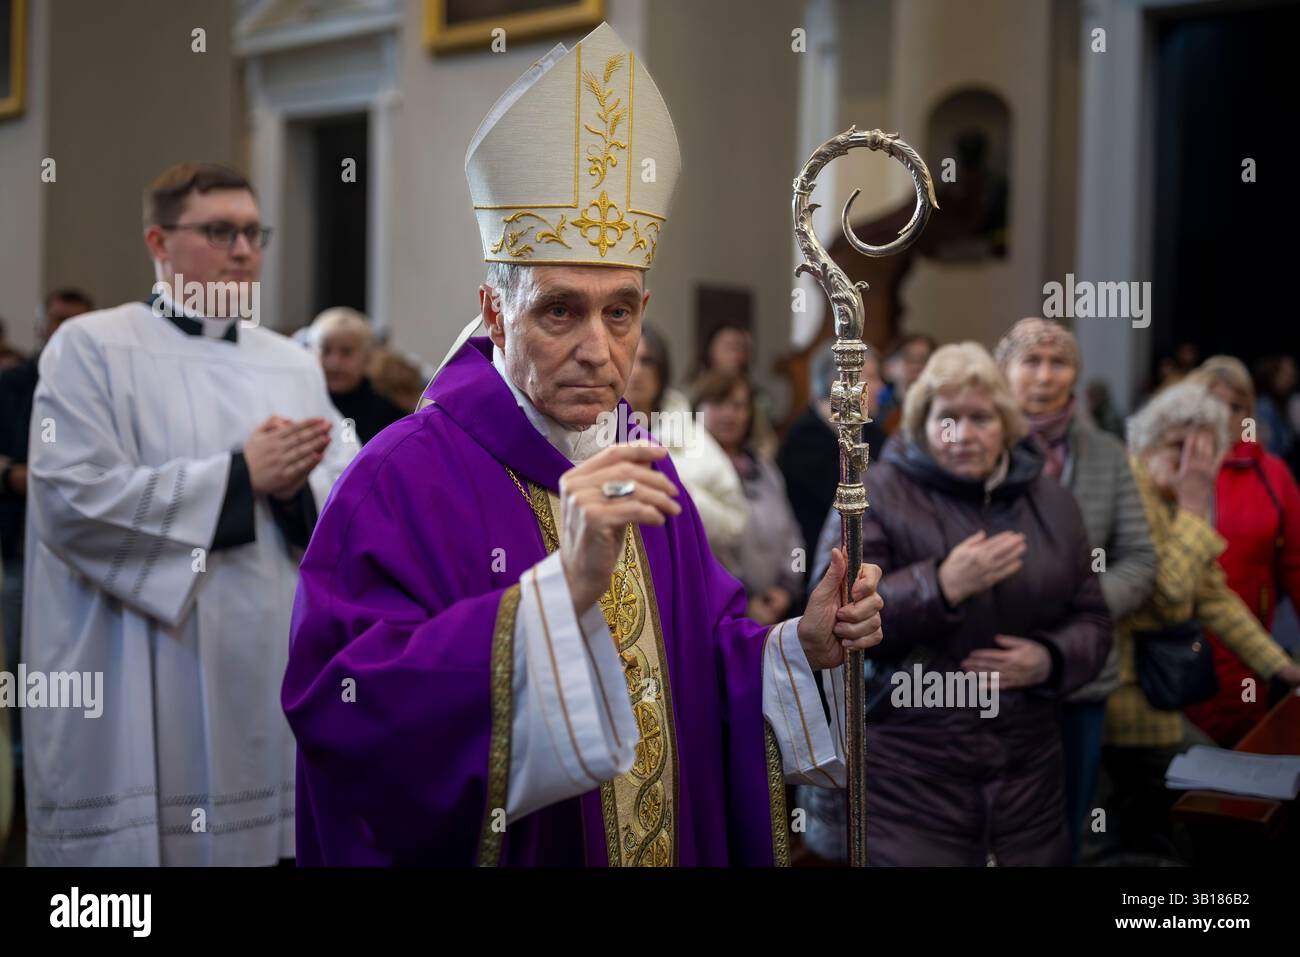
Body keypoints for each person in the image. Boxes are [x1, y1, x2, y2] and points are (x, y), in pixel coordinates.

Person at [283, 23, 886, 866]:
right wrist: (555, 593)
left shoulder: (645, 461)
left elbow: (705, 655)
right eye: (558, 309)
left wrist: (800, 646)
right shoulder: (398, 478)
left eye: (622, 311)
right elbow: (344, 707)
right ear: (496, 313)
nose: (599, 350)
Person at [22, 162, 356, 866]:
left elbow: (341, 495)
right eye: (218, 231)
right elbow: (70, 497)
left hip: (266, 658)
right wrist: (239, 476)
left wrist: (295, 488)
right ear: (158, 241)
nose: (242, 249)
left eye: (252, 232)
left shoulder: (291, 364)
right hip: (147, 660)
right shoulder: (91, 347)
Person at [809, 342, 1111, 865]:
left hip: (1027, 776)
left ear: (1007, 424)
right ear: (923, 423)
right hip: (910, 774)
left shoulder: (1052, 502)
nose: (965, 435)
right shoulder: (873, 492)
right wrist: (939, 585)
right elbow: (835, 619)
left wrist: (1052, 658)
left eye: (982, 418)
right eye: (947, 418)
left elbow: (1093, 620)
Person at [1103, 380, 1300, 859]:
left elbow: (1215, 596)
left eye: (1204, 451)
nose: (1192, 463)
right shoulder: (1134, 489)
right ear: (1149, 441)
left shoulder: (1171, 498)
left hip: (1160, 690)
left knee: (1235, 794)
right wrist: (1195, 505)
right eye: (1179, 447)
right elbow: (1168, 594)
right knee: (1220, 804)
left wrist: (1283, 668)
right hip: (1122, 697)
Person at [995, 317, 1156, 861]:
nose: (1044, 375)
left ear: (1076, 375)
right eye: (1030, 361)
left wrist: (1080, 610)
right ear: (1004, 371)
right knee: (1001, 826)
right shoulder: (979, 445)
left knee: (1069, 823)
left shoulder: (1108, 454)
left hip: (1082, 673)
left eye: (1058, 362)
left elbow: (1139, 558)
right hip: (996, 668)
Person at [1180, 357, 1300, 745]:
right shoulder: (1171, 467)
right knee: (1172, 763)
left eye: (1236, 406)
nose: (1225, 415)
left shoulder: (1274, 474)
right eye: (1214, 402)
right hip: (1179, 642)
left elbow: (1297, 564)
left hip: (1249, 642)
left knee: (1245, 751)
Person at [0, 288, 96, 776]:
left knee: (76, 669)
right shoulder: (12, 383)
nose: (66, 331)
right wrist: (10, 474)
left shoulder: (98, 385)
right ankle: (19, 764)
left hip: (86, 560)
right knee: (18, 666)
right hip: (17, 546)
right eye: (58, 321)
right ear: (40, 328)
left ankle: (71, 765)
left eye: (78, 322)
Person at [626, 324, 750, 553]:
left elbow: (736, 525)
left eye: (647, 361)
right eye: (630, 358)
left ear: (661, 372)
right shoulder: (588, 431)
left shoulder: (694, 439)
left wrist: (680, 494)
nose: (637, 371)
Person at [694, 371, 805, 624]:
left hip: (778, 607)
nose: (728, 414)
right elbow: (705, 551)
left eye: (738, 406)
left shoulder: (765, 468)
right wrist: (746, 600)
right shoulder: (689, 471)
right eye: (718, 404)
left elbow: (792, 535)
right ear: (698, 409)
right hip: (720, 612)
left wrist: (788, 588)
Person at [778, 344, 888, 590]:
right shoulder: (805, 440)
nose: (881, 388)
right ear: (840, 383)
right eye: (871, 377)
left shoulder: (874, 432)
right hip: (820, 570)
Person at [310, 306, 406, 444]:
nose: (334, 363)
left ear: (367, 358)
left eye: (346, 352)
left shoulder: (388, 415)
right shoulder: (302, 402)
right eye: (325, 350)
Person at [693, 321, 778, 458]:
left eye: (739, 348)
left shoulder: (755, 394)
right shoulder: (693, 390)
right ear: (711, 350)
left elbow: (765, 439)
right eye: (728, 347)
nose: (734, 354)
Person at [875, 333, 936, 435]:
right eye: (909, 358)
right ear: (889, 368)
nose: (916, 366)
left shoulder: (939, 410)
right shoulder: (877, 410)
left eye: (924, 359)